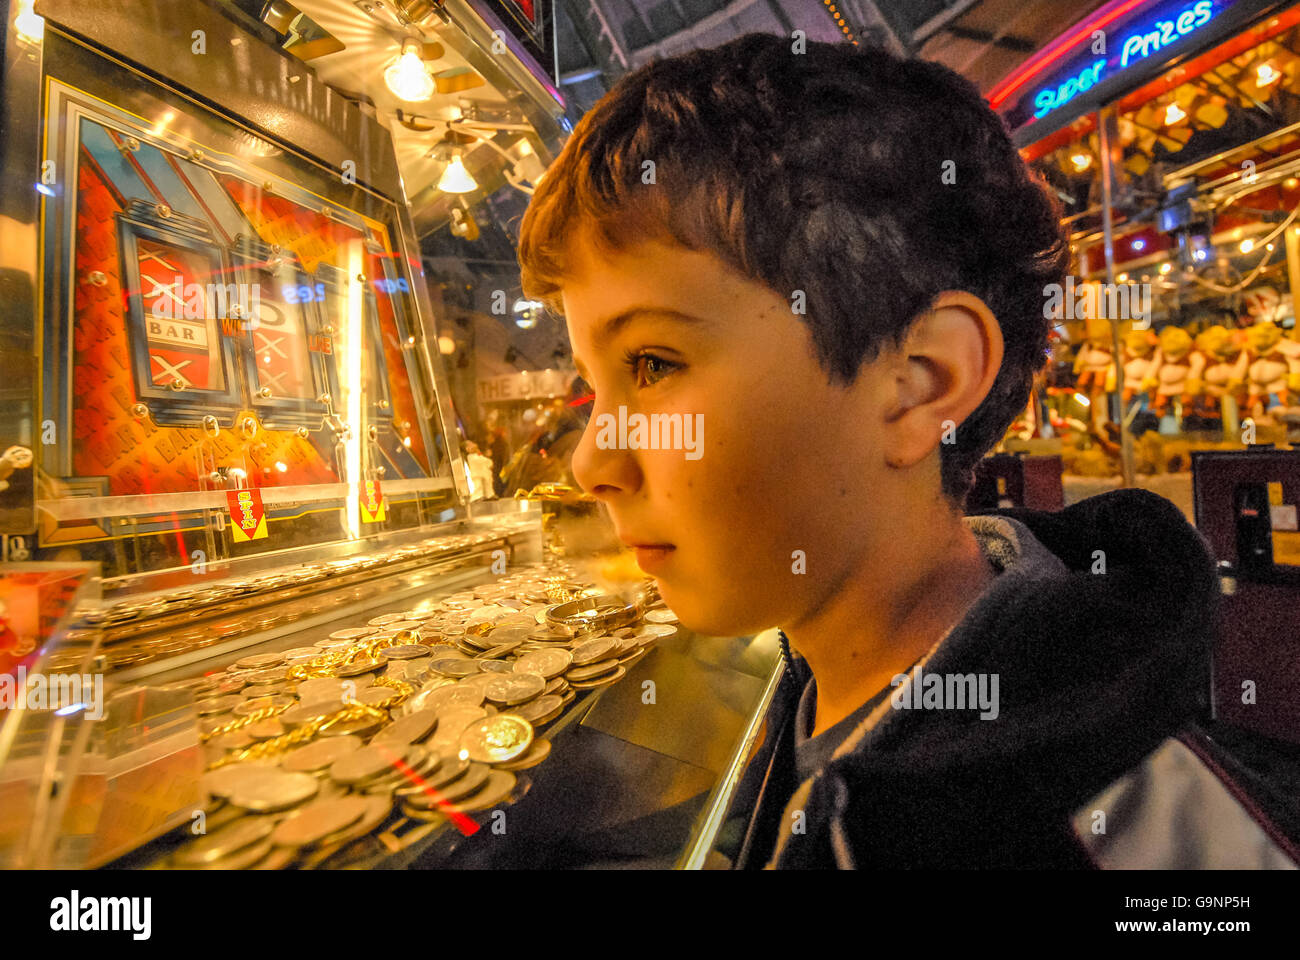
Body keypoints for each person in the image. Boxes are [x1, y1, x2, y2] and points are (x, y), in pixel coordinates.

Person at [516, 34, 1228, 868]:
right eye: (598, 385)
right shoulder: (831, 674)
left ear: (922, 382)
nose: (590, 464)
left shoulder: (1142, 845)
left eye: (653, 363)